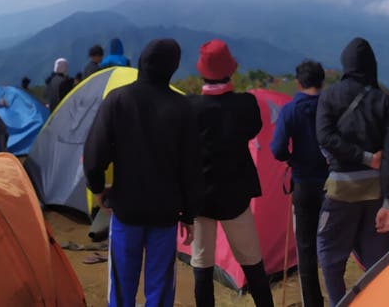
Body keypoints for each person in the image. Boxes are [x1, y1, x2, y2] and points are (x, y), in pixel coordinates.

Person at [84, 39, 202, 307]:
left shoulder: (118, 99)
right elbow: (192, 166)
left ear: (141, 63)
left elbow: (94, 155)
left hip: (126, 209)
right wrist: (189, 213)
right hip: (166, 211)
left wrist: (98, 188)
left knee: (122, 283)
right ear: (172, 68)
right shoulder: (183, 107)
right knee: (160, 285)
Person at [315, 38, 389, 306]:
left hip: (341, 192)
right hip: (376, 194)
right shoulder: (385, 102)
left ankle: (338, 303)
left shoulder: (329, 96)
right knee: (377, 262)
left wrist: (361, 158)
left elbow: (324, 137)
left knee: (330, 256)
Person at [188, 39, 274, 307]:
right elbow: (252, 130)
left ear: (202, 72)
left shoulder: (190, 107)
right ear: (230, 71)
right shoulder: (245, 104)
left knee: (201, 266)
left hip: (200, 198)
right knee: (252, 262)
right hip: (236, 196)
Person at [270, 60, 328, 307]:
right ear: (322, 82)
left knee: (305, 248)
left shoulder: (290, 110)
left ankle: (312, 302)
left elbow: (277, 149)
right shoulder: (331, 108)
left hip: (303, 185)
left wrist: (291, 159)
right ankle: (340, 296)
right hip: (332, 184)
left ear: (298, 82)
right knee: (332, 244)